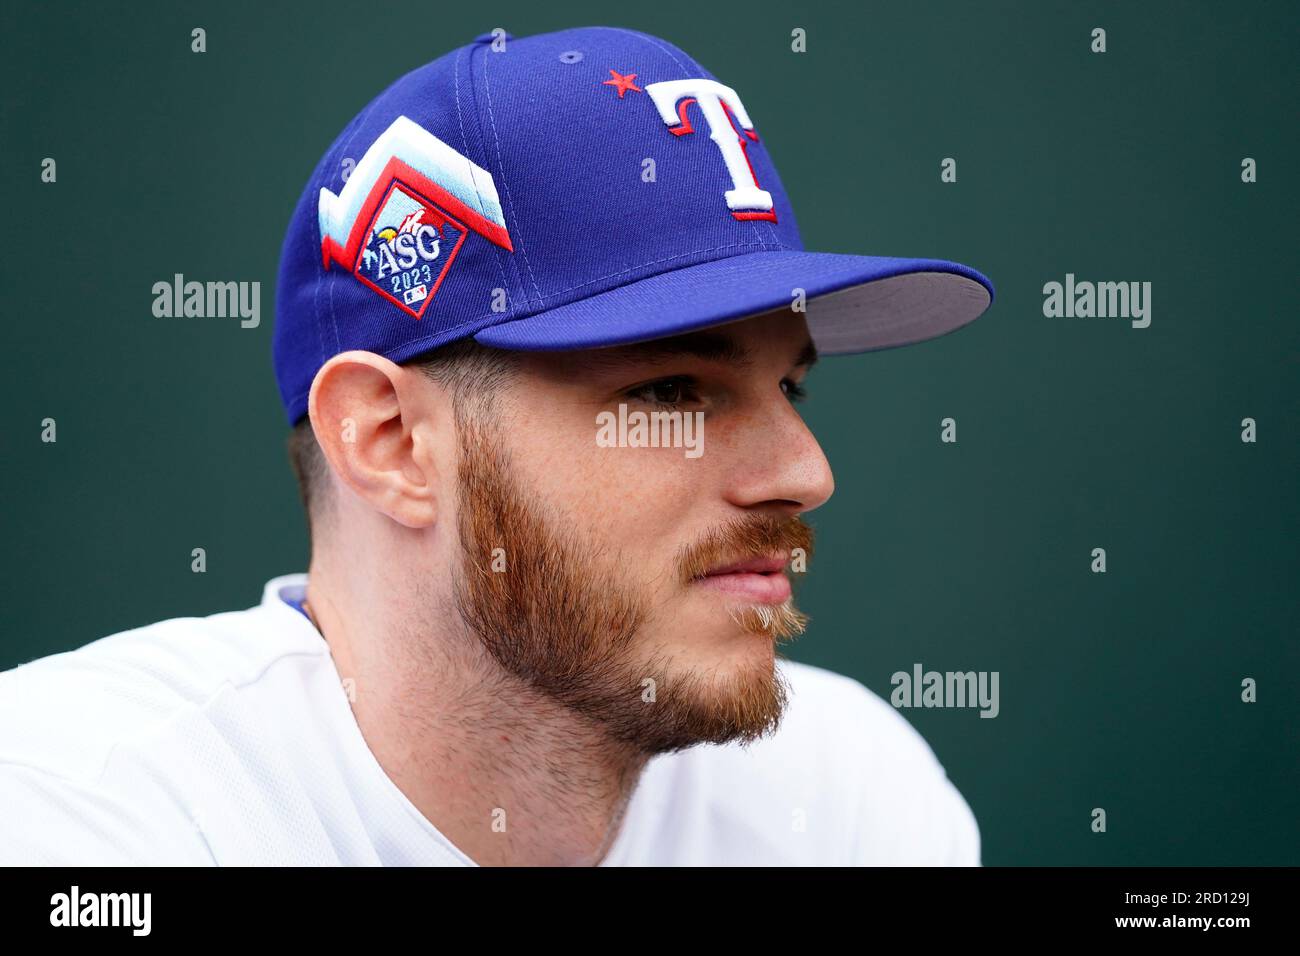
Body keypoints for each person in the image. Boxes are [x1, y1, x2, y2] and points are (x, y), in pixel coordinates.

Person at [0, 25, 993, 866]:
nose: (805, 472)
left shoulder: (845, 792)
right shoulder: (79, 808)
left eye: (790, 384)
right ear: (390, 443)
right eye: (672, 390)